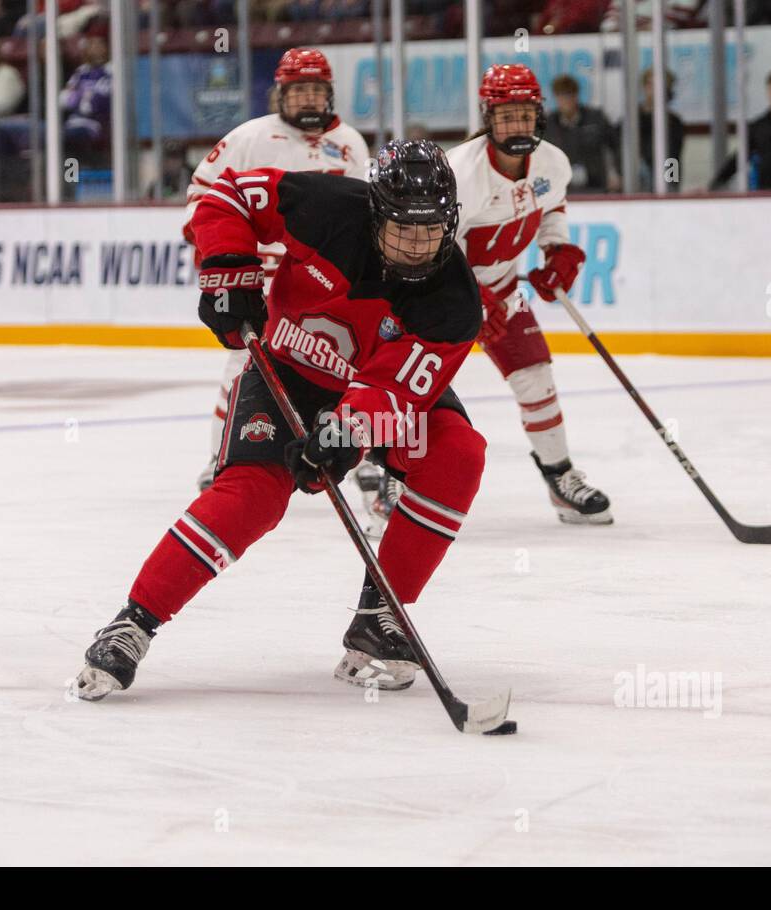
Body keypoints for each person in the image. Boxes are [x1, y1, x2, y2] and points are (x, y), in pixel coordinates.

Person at [72, 141, 486, 699]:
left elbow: (392, 391)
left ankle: (381, 614)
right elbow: (230, 194)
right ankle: (133, 622)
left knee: (457, 452)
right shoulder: (326, 205)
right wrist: (227, 269)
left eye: (431, 229)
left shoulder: (452, 301)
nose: (417, 245)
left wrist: (345, 433)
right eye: (403, 229)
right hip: (287, 376)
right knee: (253, 496)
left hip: (369, 394)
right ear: (376, 212)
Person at [182, 48, 369, 491]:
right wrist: (218, 253)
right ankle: (222, 457)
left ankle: (362, 465)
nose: (307, 99)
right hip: (262, 279)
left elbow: (365, 217)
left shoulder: (352, 144)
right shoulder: (249, 137)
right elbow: (202, 197)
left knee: (345, 367)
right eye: (298, 90)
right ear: (279, 95)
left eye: (315, 91)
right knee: (245, 367)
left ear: (329, 95)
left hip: (325, 282)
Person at [444, 63, 610, 525]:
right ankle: (394, 478)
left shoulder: (552, 162)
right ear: (487, 118)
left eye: (525, 115)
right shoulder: (462, 172)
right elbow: (434, 245)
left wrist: (556, 249)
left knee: (535, 374)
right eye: (506, 116)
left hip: (500, 290)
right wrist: (469, 300)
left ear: (538, 115)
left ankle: (560, 478)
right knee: (414, 385)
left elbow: (552, 206)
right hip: (438, 294)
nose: (517, 125)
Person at [542, 73, 618, 193]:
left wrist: (615, 174)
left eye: (569, 95)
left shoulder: (596, 118)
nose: (566, 100)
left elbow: (615, 146)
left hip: (597, 185)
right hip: (561, 188)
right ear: (555, 97)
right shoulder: (548, 124)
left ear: (576, 95)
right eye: (561, 95)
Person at [621, 66, 685, 192]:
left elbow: (673, 157)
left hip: (663, 176)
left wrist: (673, 185)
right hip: (637, 178)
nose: (654, 89)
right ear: (644, 86)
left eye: (660, 85)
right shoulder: (632, 119)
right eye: (650, 84)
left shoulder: (673, 122)